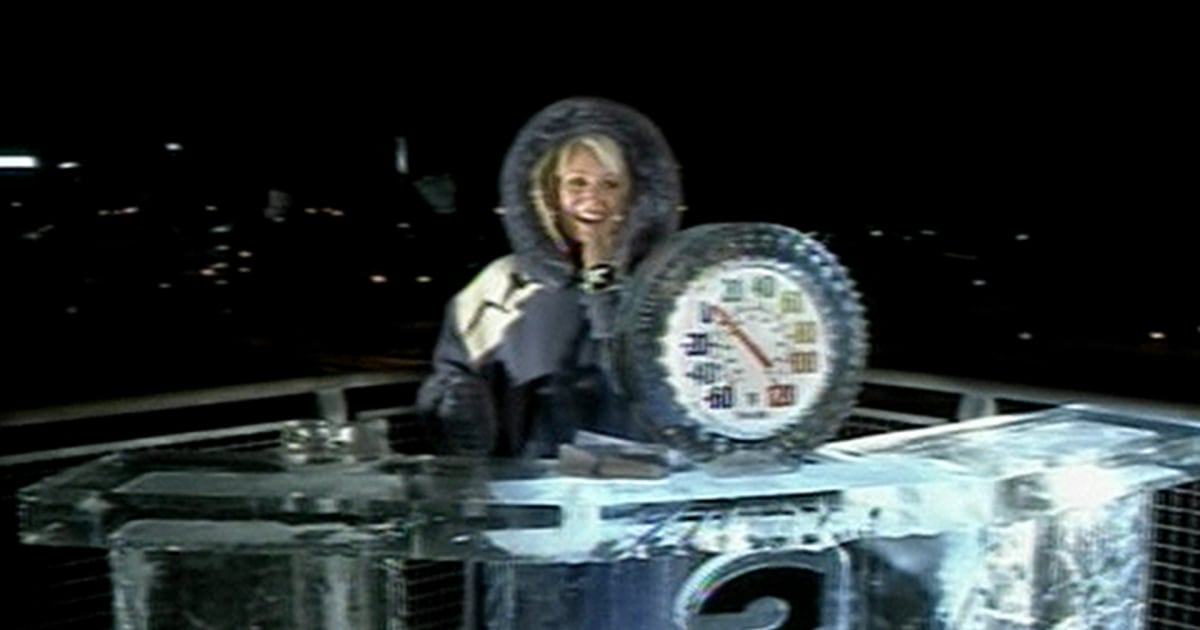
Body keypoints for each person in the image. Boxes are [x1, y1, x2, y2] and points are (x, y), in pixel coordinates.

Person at [417, 97, 683, 457]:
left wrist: (603, 279)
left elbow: (667, 382)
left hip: (645, 488)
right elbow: (451, 376)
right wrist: (456, 410)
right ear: (551, 195)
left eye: (611, 184)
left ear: (632, 197)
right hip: (536, 492)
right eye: (577, 183)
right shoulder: (501, 285)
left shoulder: (668, 283)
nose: (593, 197)